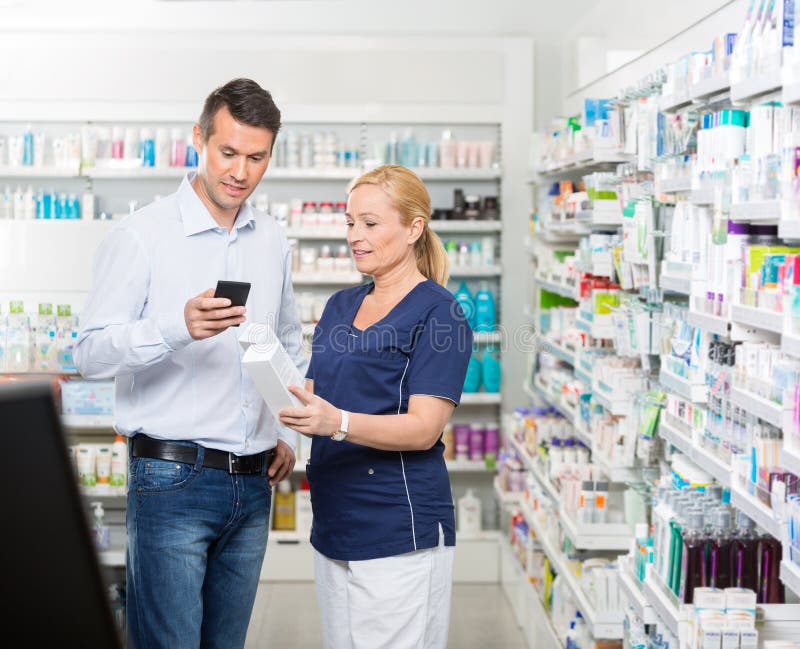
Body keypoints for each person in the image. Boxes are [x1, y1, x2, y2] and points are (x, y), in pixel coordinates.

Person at [74, 78, 306, 649]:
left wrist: (286, 432)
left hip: (253, 484)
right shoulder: (142, 235)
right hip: (172, 479)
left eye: (256, 158)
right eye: (228, 153)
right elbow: (89, 352)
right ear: (198, 139)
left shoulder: (272, 239)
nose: (240, 171)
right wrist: (176, 327)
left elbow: (290, 343)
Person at [278, 164, 473, 649]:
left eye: (370, 223)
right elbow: (318, 391)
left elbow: (425, 428)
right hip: (335, 520)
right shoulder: (341, 305)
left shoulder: (440, 312)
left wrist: (336, 422)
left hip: (397, 526)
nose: (355, 237)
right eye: (349, 223)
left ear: (413, 228)